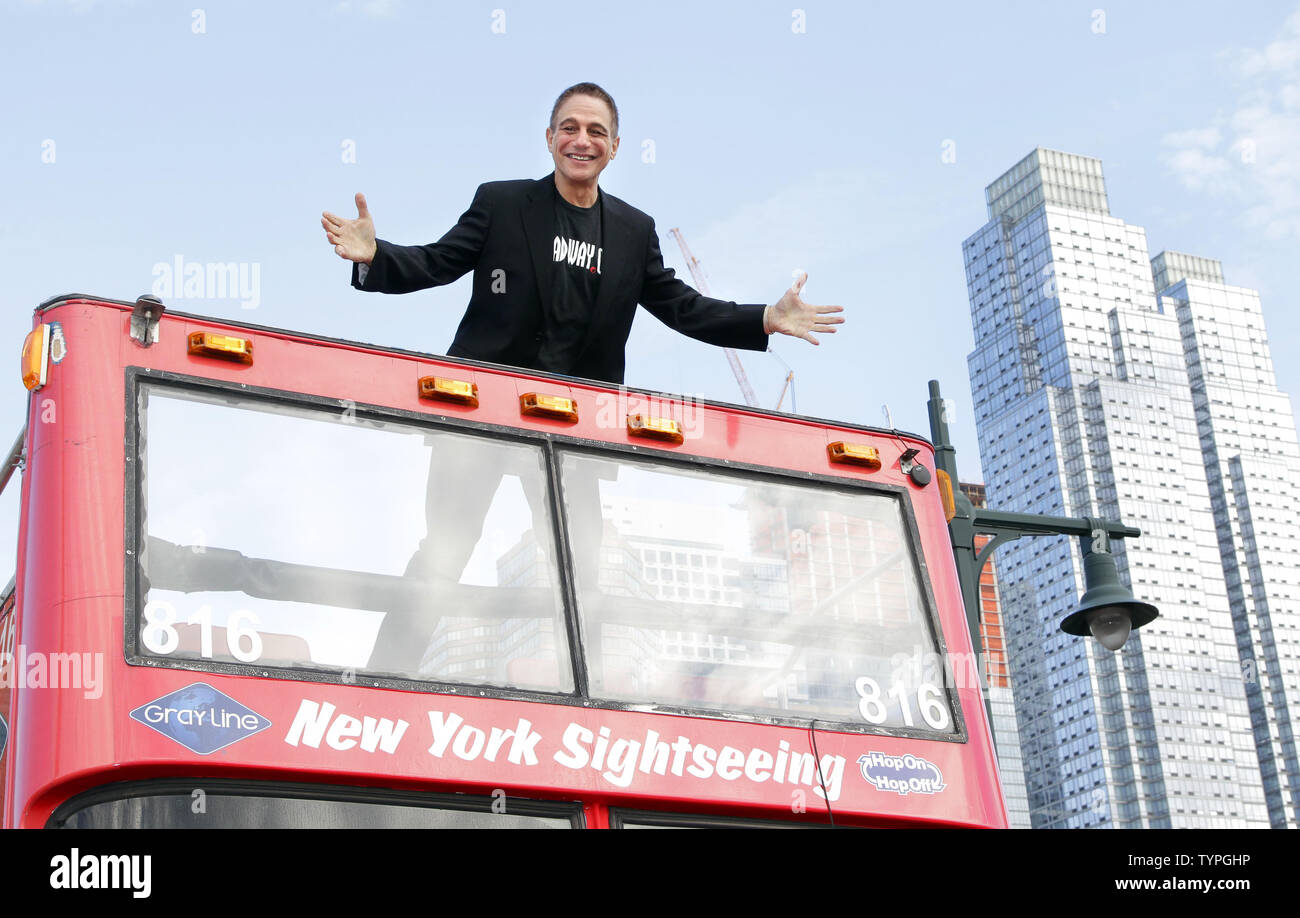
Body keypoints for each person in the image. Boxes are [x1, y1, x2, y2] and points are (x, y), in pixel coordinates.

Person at [320, 82, 845, 678]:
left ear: (616, 147)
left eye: (596, 131)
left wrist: (764, 319)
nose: (581, 140)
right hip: (480, 417)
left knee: (579, 571)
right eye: (569, 127)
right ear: (549, 139)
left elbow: (683, 306)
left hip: (570, 432)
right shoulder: (501, 203)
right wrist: (374, 256)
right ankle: (380, 684)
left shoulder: (631, 231)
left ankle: (589, 701)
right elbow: (438, 262)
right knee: (444, 555)